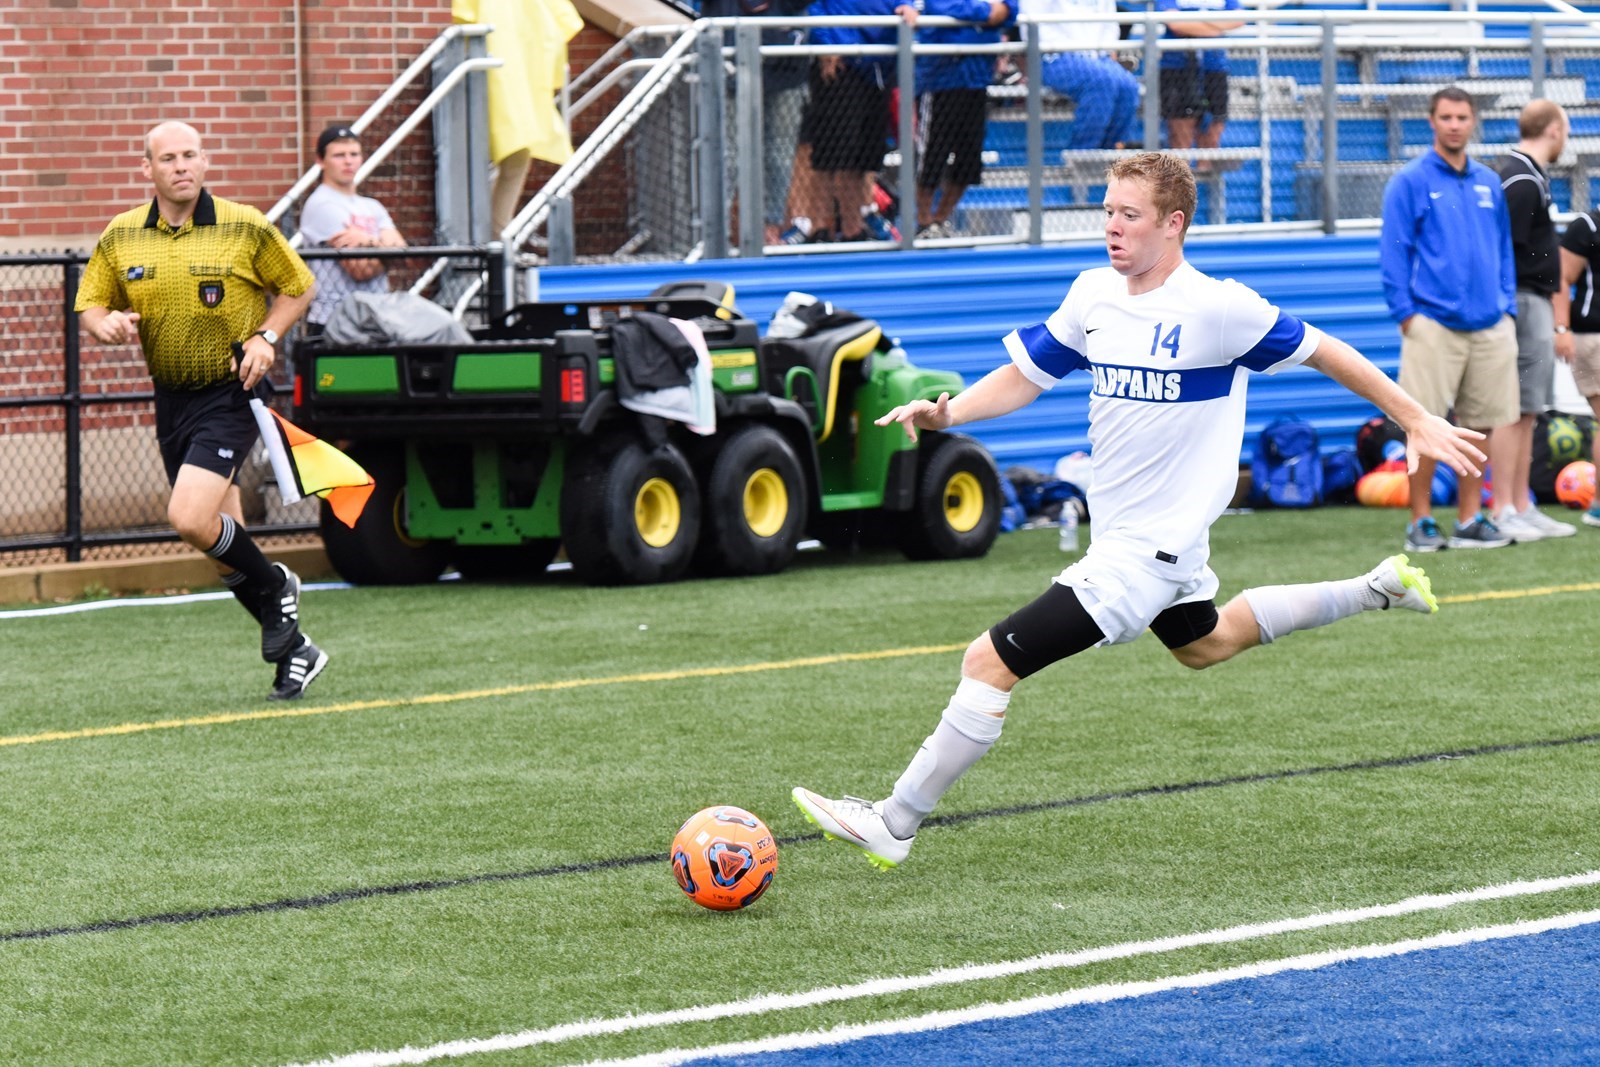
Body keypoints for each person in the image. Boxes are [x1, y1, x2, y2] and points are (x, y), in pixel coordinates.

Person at [792, 152, 1486, 869]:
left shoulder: (1220, 308)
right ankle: (1376, 587)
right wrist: (949, 413)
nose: (1112, 229)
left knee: (988, 660)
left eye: (1129, 215)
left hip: (1145, 554)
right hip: (1138, 540)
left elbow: (1327, 351)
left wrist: (1414, 418)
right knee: (1205, 643)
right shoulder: (1094, 294)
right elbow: (1026, 375)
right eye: (1107, 213)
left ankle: (895, 821)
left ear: (1174, 224)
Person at [75, 121, 328, 701]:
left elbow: (299, 285)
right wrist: (104, 323)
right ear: (148, 170)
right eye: (168, 158)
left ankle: (279, 583)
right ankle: (298, 653)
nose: (181, 166)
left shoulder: (243, 224)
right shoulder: (122, 236)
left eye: (190, 155)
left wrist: (266, 336)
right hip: (172, 398)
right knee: (222, 543)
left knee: (189, 518)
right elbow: (90, 303)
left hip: (232, 391)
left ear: (205, 162)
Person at [1379, 86, 1517, 552]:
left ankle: (1470, 518)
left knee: (1480, 427)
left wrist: (1507, 306)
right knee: (1425, 424)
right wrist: (1406, 316)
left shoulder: (1488, 181)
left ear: (1473, 122)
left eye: (1462, 117)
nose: (1455, 124)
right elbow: (1395, 253)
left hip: (1490, 325)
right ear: (1432, 122)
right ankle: (1421, 523)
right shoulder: (1410, 180)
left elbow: (1503, 251)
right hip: (1432, 324)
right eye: (1446, 117)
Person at [1494, 99, 1577, 541]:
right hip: (1523, 301)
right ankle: (1503, 508)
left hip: (1534, 302)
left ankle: (1521, 503)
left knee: (1529, 409)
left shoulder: (1529, 175)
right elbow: (1502, 249)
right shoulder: (1522, 180)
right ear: (1552, 130)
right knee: (1513, 409)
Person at [899, 0, 1016, 239]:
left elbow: (1009, 10)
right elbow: (943, 8)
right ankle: (923, 223)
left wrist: (980, 16)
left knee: (969, 159)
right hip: (940, 81)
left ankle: (940, 221)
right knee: (931, 156)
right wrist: (986, 12)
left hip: (977, 80)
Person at [299, 125, 408, 335]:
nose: (348, 161)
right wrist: (385, 249)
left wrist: (367, 242)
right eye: (339, 155)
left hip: (377, 317)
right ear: (321, 161)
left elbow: (402, 250)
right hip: (334, 321)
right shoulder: (322, 205)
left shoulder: (372, 206)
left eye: (354, 154)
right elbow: (360, 269)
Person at [1030, 0, 1140, 151]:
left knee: (1128, 85)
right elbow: (1033, 24)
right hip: (1055, 56)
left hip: (1098, 57)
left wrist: (1105, 53)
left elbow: (1110, 25)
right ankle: (1082, 155)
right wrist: (1080, 53)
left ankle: (1108, 156)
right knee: (1102, 79)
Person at [1556, 208, 1600, 529]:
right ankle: (1597, 505)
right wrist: (1562, 329)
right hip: (1592, 337)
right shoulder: (1586, 225)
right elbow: (1561, 278)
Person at [1157, 0, 1244, 154]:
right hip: (1178, 68)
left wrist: (1192, 25)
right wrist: (1216, 26)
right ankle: (1181, 178)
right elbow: (1176, 25)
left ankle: (1206, 176)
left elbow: (1237, 20)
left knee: (1212, 135)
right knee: (1180, 138)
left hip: (1214, 67)